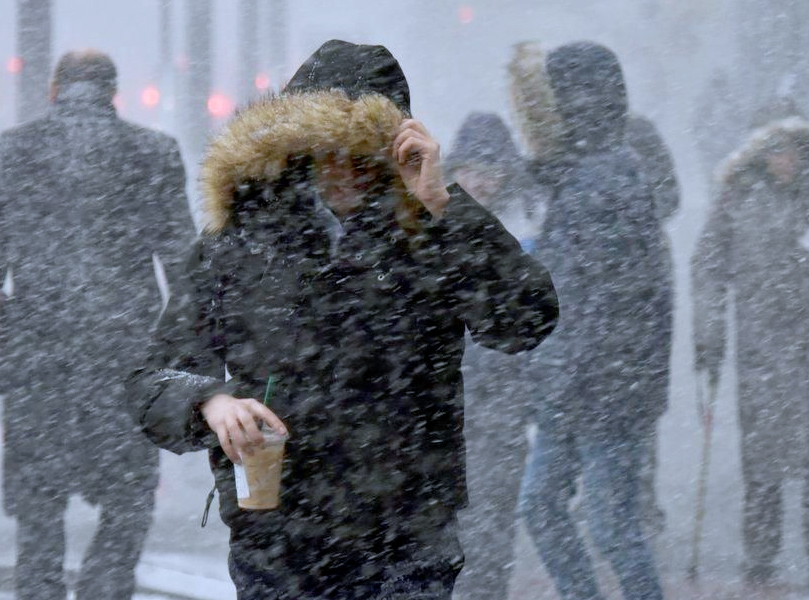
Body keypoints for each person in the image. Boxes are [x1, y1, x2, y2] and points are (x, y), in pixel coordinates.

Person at [125, 40, 558, 600]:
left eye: (366, 152)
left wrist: (443, 204)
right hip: (280, 540)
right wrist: (211, 401)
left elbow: (526, 319)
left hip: (408, 538)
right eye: (328, 149)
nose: (346, 170)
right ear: (295, 149)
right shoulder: (238, 243)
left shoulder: (430, 231)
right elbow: (153, 379)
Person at [0, 50, 193, 600]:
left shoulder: (8, 152)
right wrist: (194, 350)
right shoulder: (153, 153)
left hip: (41, 356)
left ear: (54, 89)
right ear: (112, 92)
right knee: (127, 500)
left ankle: (41, 590)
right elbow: (182, 263)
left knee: (39, 513)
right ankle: (104, 585)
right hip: (126, 354)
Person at [509, 41, 670, 600]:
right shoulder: (580, 176)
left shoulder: (606, 179)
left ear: (574, 101)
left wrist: (561, 374)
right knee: (546, 508)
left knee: (609, 524)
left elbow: (611, 300)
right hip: (579, 385)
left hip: (603, 388)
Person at [692, 112, 809, 590]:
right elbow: (708, 268)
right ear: (759, 152)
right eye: (775, 150)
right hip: (762, 353)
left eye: (793, 149)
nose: (785, 160)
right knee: (763, 465)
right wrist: (709, 334)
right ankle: (760, 561)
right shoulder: (738, 197)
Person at [445, 111, 548, 600]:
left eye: (491, 169)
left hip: (502, 394)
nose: (481, 180)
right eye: (471, 168)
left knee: (493, 513)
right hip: (440, 396)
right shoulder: (429, 219)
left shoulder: (527, 225)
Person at [625, 112, 680, 537]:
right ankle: (625, 497)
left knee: (640, 401)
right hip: (631, 289)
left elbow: (669, 196)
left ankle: (637, 497)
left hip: (643, 291)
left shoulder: (638, 133)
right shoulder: (562, 139)